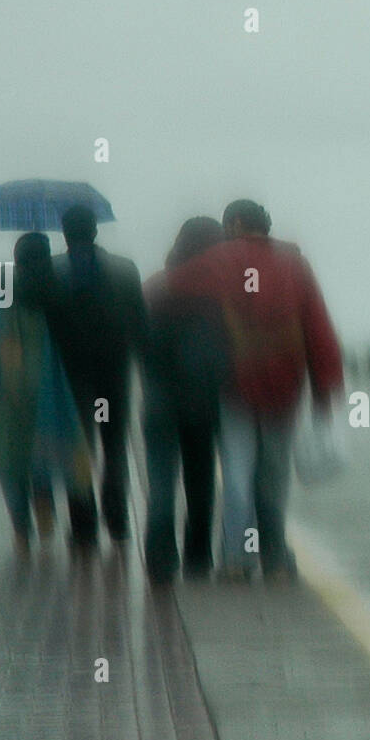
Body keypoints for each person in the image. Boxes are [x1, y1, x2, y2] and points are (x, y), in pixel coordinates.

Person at [166, 200, 343, 582]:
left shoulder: (220, 259)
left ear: (236, 223)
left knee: (237, 471)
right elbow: (317, 325)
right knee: (274, 474)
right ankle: (275, 557)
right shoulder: (295, 264)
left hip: (235, 385)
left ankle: (236, 557)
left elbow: (172, 286)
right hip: (285, 384)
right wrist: (326, 385)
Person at [0, 232, 97, 552]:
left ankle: (21, 529)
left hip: (6, 396)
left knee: (11, 459)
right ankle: (45, 516)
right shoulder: (56, 289)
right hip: (50, 392)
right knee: (43, 454)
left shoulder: (3, 294)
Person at [48, 204, 147, 541]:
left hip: (71, 379)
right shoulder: (125, 270)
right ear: (95, 231)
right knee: (114, 447)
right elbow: (140, 325)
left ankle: (83, 525)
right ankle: (117, 520)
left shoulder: (52, 271)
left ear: (64, 233)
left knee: (78, 448)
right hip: (114, 376)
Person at [141, 217, 229, 583]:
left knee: (161, 481)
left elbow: (139, 343)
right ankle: (198, 556)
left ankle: (160, 559)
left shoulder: (154, 288)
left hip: (159, 399)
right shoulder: (218, 291)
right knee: (200, 479)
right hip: (203, 401)